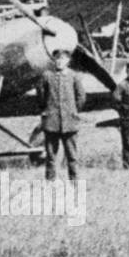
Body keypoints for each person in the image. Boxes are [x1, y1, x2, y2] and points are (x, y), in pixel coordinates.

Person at [39, 48, 87, 181]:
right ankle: (50, 182)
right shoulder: (47, 76)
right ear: (54, 60)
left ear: (68, 61)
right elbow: (41, 97)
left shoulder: (74, 76)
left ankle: (74, 182)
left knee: (72, 156)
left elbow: (81, 96)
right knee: (50, 156)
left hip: (70, 122)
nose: (59, 62)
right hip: (51, 122)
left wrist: (72, 111)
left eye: (63, 59)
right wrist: (47, 110)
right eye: (57, 59)